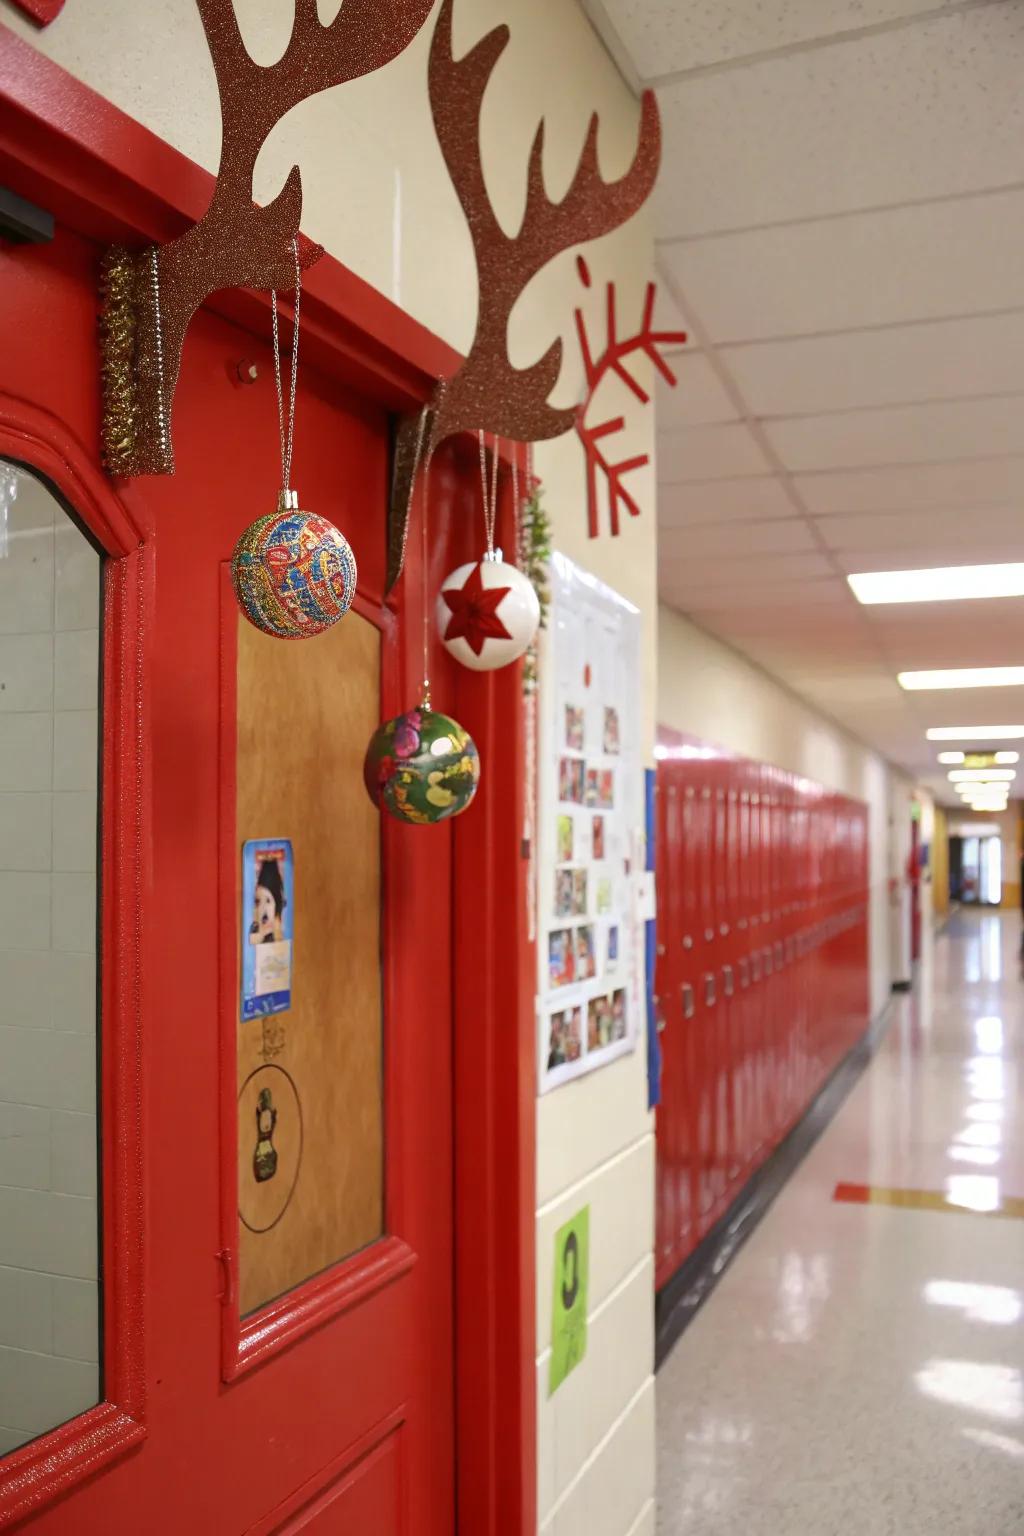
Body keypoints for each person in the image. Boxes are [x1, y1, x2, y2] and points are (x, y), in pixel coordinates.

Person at [250, 856, 285, 945]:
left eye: (268, 901)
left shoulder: (280, 933)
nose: (263, 908)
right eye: (258, 902)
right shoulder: (253, 932)